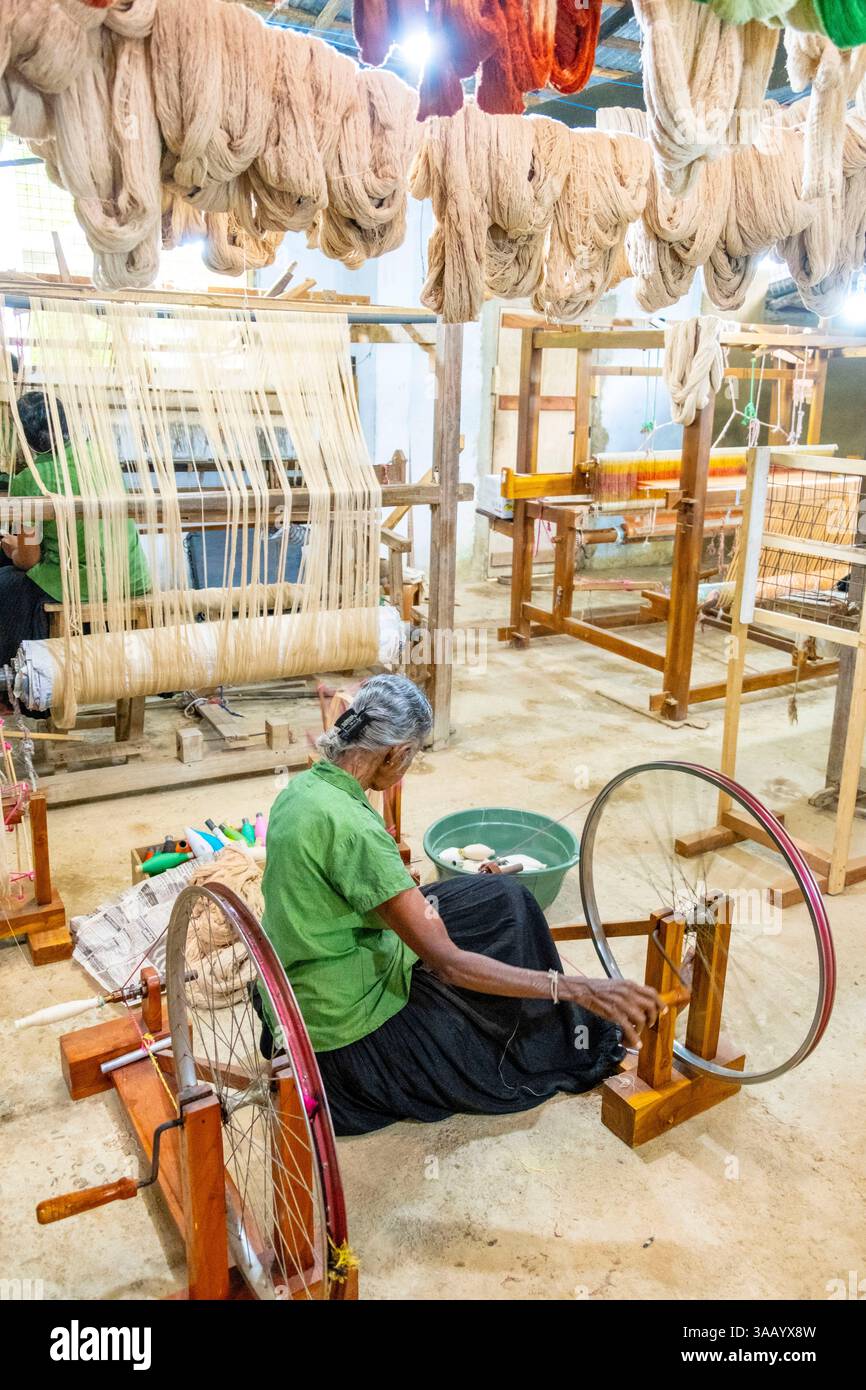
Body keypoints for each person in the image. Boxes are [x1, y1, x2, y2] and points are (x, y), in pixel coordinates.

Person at [260, 673, 662, 1136]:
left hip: (305, 982)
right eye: (412, 757)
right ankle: (567, 1030)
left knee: (504, 900)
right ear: (396, 754)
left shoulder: (303, 790)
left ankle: (557, 1021)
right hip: (336, 1041)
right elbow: (449, 965)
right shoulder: (354, 829)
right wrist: (575, 987)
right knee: (486, 1047)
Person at [0, 391, 150, 674]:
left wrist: (12, 548)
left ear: (25, 437)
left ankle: (25, 681)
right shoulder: (102, 457)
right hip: (132, 576)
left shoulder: (30, 481)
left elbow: (28, 560)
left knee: (7, 582)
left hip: (84, 586)